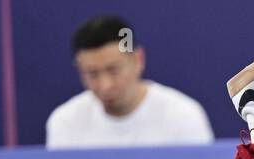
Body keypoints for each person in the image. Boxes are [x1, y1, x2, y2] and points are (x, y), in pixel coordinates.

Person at [46, 14, 213, 149]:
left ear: (138, 60)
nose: (105, 85)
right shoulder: (64, 122)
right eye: (92, 74)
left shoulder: (183, 116)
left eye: (114, 70)